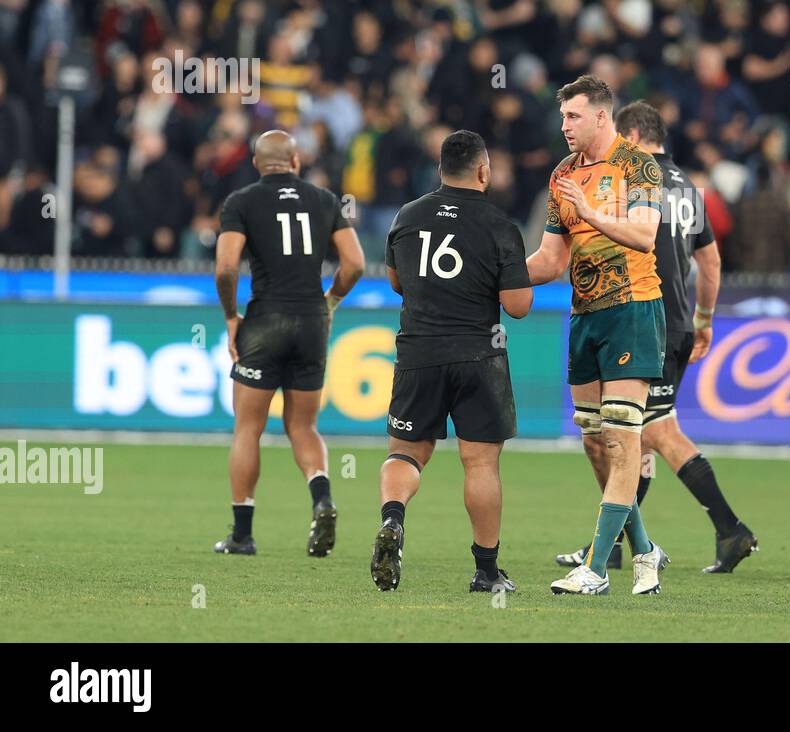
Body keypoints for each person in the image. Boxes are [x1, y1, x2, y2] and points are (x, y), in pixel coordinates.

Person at [554, 101, 757, 575]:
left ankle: (730, 529)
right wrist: (704, 318)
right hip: (679, 319)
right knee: (634, 438)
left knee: (651, 432)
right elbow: (710, 262)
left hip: (645, 319)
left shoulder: (633, 177)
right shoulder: (691, 187)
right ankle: (616, 545)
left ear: (630, 134)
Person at [370, 129, 533, 593]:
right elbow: (518, 306)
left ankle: (393, 520)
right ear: (484, 170)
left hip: (419, 352)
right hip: (479, 355)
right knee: (480, 463)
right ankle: (486, 572)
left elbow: (398, 282)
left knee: (404, 453)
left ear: (440, 169)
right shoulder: (500, 226)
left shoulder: (408, 214)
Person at [526, 75, 669, 596]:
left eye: (573, 116)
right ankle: (646, 550)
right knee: (594, 441)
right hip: (584, 315)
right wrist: (495, 276)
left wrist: (589, 212)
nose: (564, 126)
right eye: (562, 116)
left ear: (602, 117)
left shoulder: (638, 165)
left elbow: (645, 235)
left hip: (633, 308)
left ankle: (598, 568)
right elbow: (549, 260)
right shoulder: (562, 173)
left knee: (623, 437)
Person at [212, 130, 365, 556]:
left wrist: (230, 317)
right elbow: (354, 264)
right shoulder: (324, 199)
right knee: (304, 426)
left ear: (256, 163)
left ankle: (242, 535)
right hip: (312, 320)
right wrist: (330, 301)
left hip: (264, 321)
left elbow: (226, 269)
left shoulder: (240, 202)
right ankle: (322, 500)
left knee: (248, 428)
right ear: (295, 160)